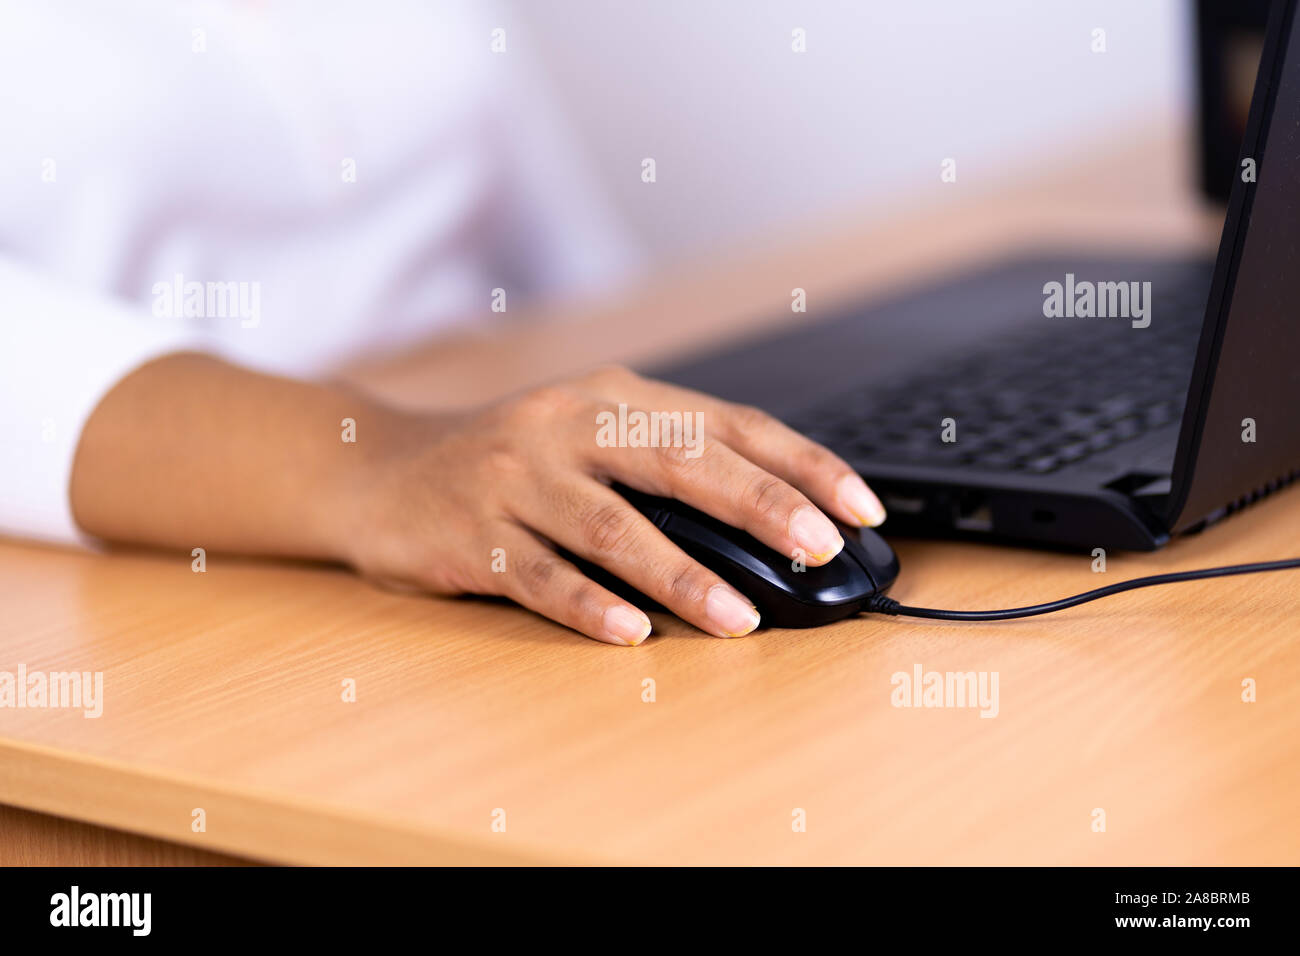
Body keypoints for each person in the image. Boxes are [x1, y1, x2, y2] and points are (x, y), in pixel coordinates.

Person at [1, 1, 885, 646]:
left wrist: (640, 448)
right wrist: (385, 465)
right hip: (202, 534)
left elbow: (571, 259)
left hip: (493, 435)